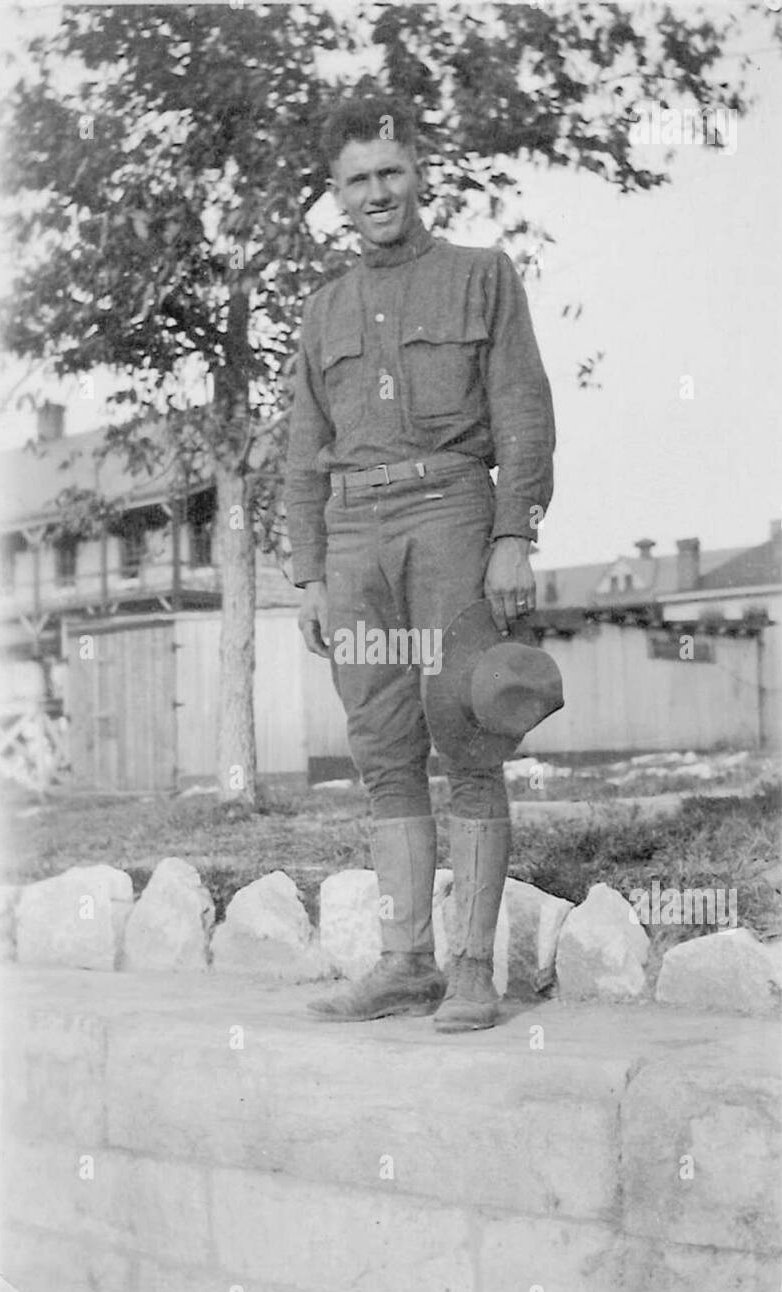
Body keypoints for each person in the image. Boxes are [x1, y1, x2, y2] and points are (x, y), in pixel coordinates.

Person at [285, 94, 555, 1031]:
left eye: (390, 171)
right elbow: (301, 451)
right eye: (356, 179)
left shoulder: (482, 276)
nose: (376, 192)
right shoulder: (322, 311)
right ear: (336, 193)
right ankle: (404, 964)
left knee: (467, 736)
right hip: (354, 534)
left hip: (451, 511)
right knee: (383, 750)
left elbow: (521, 410)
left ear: (419, 172)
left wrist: (513, 533)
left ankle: (473, 971)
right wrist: (311, 573)